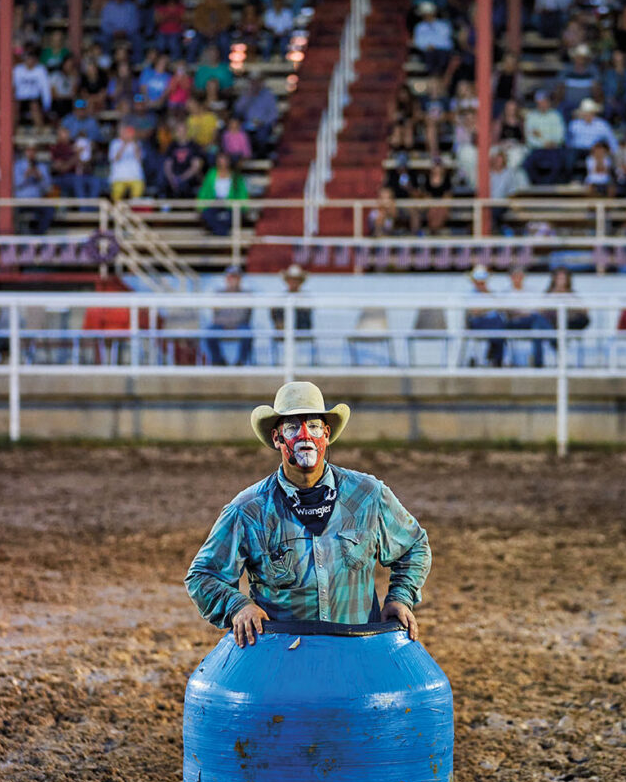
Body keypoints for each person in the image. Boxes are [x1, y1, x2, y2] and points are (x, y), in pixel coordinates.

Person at [185, 380, 430, 645]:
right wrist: (237, 606)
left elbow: (414, 545)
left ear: (326, 434)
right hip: (283, 658)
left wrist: (400, 597)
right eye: (292, 427)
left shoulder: (368, 495)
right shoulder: (249, 510)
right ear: (277, 438)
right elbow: (203, 576)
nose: (305, 436)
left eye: (313, 426)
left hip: (359, 654)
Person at [206, 263, 254, 367]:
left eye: (236, 277)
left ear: (240, 279)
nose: (233, 279)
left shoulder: (247, 294)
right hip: (222, 325)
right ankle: (218, 361)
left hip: (239, 325)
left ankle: (241, 362)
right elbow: (215, 316)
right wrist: (228, 322)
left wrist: (229, 322)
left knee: (247, 331)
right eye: (231, 276)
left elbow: (244, 316)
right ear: (227, 278)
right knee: (210, 332)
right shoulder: (218, 293)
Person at [463, 263, 506, 367]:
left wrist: (488, 297)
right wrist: (489, 307)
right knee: (498, 325)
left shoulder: (490, 294)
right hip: (479, 323)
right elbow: (474, 312)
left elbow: (501, 307)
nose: (481, 283)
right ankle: (495, 359)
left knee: (499, 324)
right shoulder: (470, 295)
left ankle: (495, 358)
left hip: (493, 323)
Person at [198, 151, 248, 236]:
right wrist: (200, 205)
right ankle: (222, 232)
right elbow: (204, 191)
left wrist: (244, 206)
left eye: (225, 159)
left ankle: (219, 232)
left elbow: (242, 192)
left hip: (230, 203)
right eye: (220, 159)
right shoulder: (211, 173)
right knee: (207, 214)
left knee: (235, 215)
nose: (222, 162)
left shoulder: (235, 175)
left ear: (229, 161)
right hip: (214, 202)